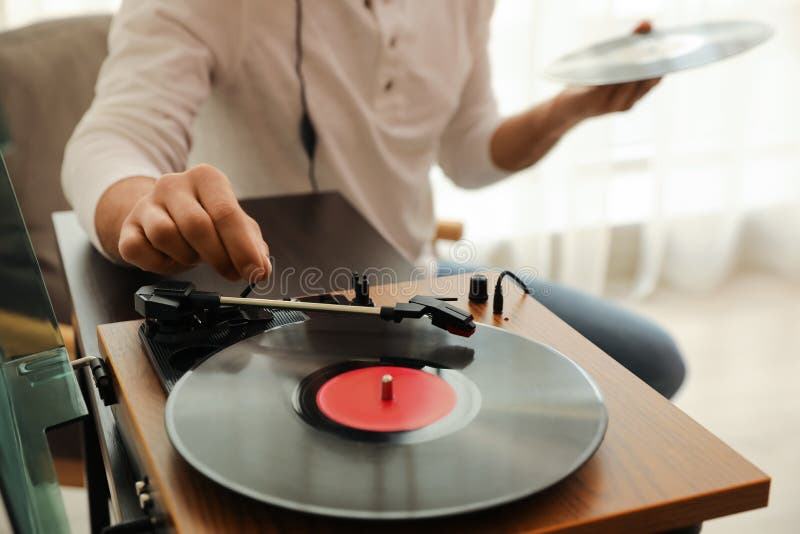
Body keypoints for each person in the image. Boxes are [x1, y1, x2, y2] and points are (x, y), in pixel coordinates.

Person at [62, 2, 683, 397]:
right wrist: (141, 203)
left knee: (654, 363)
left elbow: (469, 152)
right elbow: (112, 138)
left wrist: (569, 109)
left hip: (419, 279)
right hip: (280, 315)